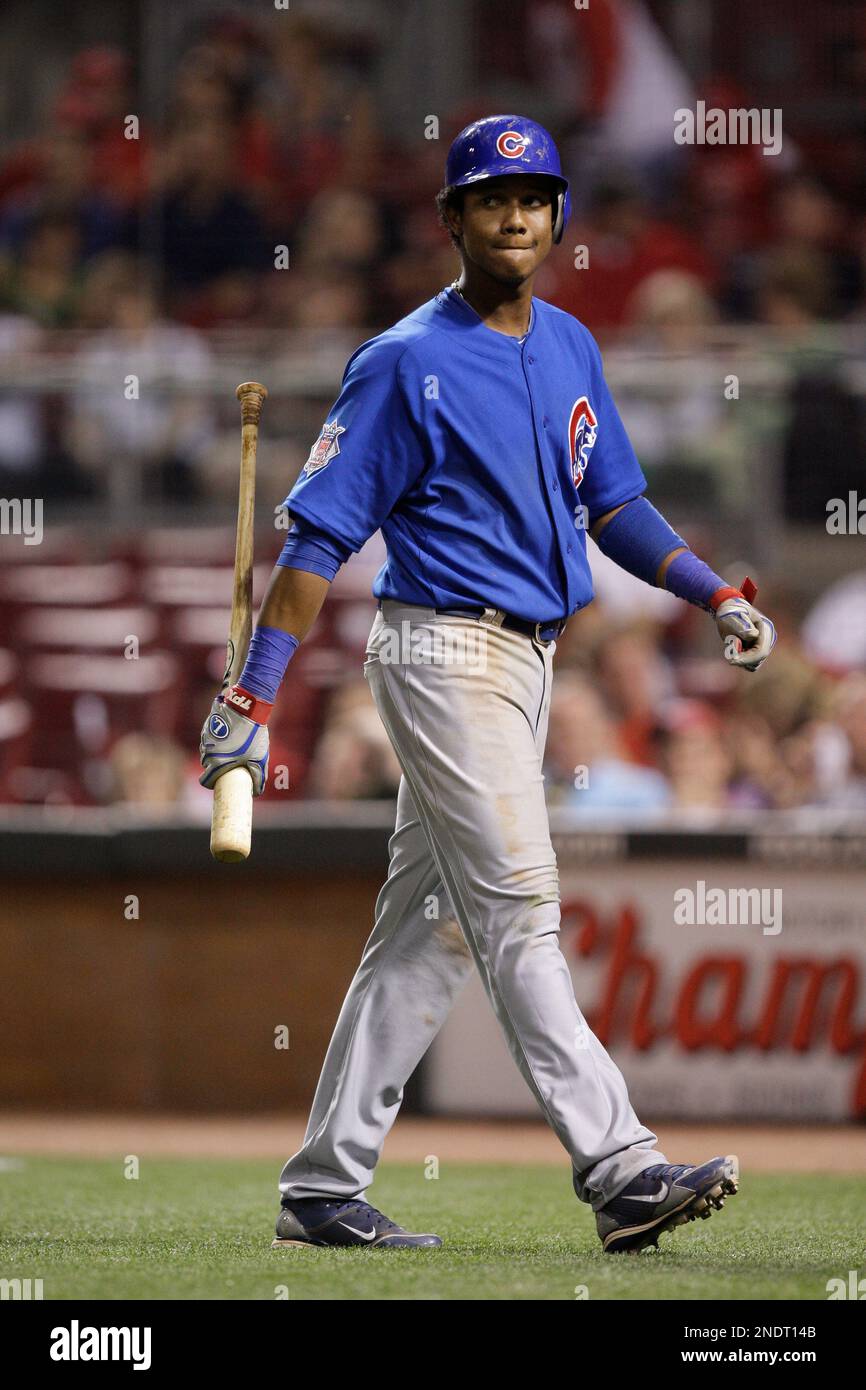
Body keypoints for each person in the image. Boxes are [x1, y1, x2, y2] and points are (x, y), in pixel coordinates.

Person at [200, 115, 775, 1254]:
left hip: (529, 658)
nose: (514, 214)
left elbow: (610, 504)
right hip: (441, 650)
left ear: (556, 215)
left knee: (428, 930)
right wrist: (252, 698)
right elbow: (317, 541)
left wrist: (712, 594)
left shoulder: (568, 343)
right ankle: (618, 1169)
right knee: (517, 908)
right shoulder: (402, 358)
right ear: (449, 219)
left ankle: (321, 1189)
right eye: (490, 197)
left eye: (533, 196)